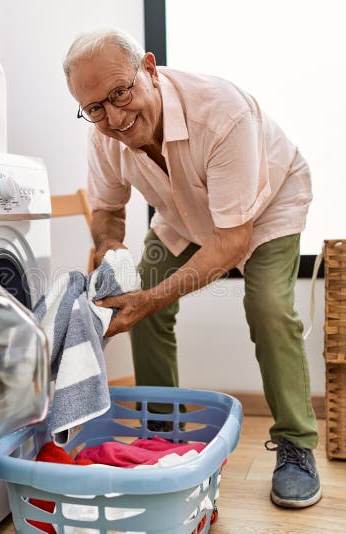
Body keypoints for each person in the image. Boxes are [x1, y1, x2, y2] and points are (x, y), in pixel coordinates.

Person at [62, 28, 321, 509]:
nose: (114, 116)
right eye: (95, 108)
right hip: (182, 213)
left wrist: (151, 296)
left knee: (266, 306)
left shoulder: (221, 113)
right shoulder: (104, 138)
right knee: (142, 304)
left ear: (150, 70)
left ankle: (297, 446)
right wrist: (111, 252)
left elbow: (231, 241)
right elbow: (106, 211)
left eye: (121, 92)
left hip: (267, 209)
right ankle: (161, 433)